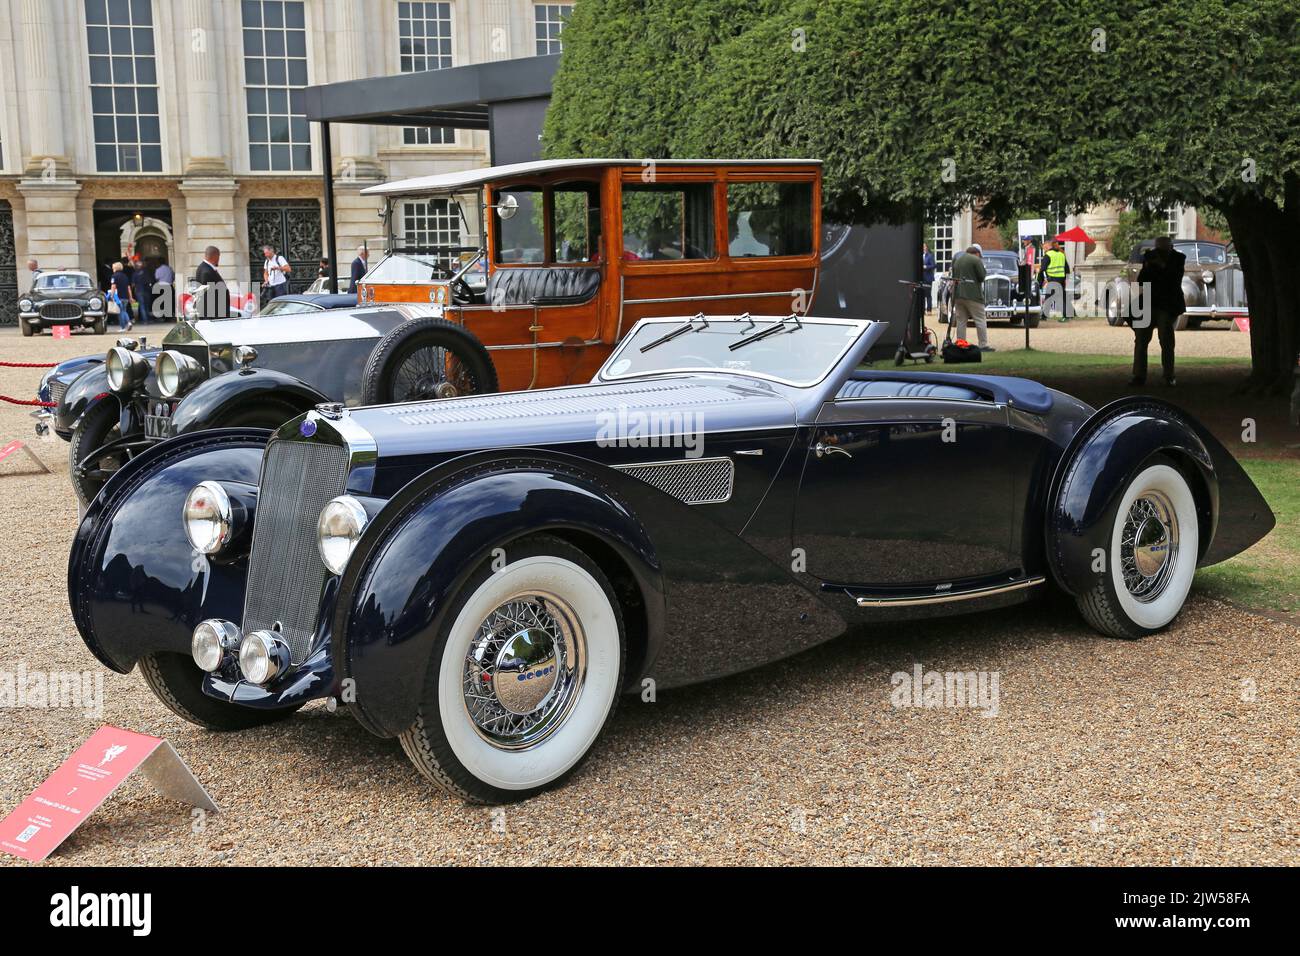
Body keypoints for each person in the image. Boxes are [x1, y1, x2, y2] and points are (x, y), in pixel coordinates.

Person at [1131, 235, 1186, 387]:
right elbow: (1141, 280)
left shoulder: (1178, 258)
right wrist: (1149, 266)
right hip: (1150, 301)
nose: (1159, 252)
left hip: (1167, 303)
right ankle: (1139, 376)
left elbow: (1175, 279)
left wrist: (1161, 265)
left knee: (1167, 341)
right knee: (1141, 340)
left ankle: (1169, 375)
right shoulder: (1149, 258)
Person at [950, 244, 993, 352]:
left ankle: (961, 343)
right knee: (980, 320)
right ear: (977, 253)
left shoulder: (957, 260)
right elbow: (982, 276)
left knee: (961, 321)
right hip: (973, 295)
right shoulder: (976, 260)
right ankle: (983, 345)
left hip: (958, 294)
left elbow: (954, 277)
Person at [1038, 239, 1071, 321]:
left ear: (1047, 246)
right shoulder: (1061, 254)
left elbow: (1042, 269)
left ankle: (1065, 316)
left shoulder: (1048, 255)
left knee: (1054, 298)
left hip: (1052, 279)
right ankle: (1045, 315)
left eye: (1044, 247)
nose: (1043, 249)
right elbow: (1067, 269)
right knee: (1059, 297)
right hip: (1061, 279)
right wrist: (1066, 279)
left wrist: (1040, 282)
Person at [195, 245, 230, 319]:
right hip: (213, 315)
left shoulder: (204, 268)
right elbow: (209, 296)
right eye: (219, 256)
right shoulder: (206, 271)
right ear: (215, 256)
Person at [130, 255, 155, 325]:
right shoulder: (146, 272)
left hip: (139, 291)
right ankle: (148, 319)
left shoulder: (135, 274)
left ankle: (145, 320)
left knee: (142, 306)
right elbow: (151, 281)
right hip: (147, 291)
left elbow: (133, 284)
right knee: (147, 305)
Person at [109, 261, 132, 331]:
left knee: (120, 312)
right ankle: (129, 322)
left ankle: (123, 327)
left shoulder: (114, 276)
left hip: (118, 297)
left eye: (113, 267)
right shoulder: (125, 276)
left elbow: (113, 287)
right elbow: (129, 288)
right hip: (126, 297)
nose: (112, 269)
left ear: (115, 268)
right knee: (124, 310)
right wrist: (130, 297)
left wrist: (111, 296)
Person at [921, 242, 936, 312]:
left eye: (924, 246)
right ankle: (922, 310)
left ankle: (929, 310)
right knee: (922, 295)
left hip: (928, 278)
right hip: (921, 278)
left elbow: (934, 265)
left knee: (928, 294)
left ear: (926, 247)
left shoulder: (930, 256)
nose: (923, 247)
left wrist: (926, 266)